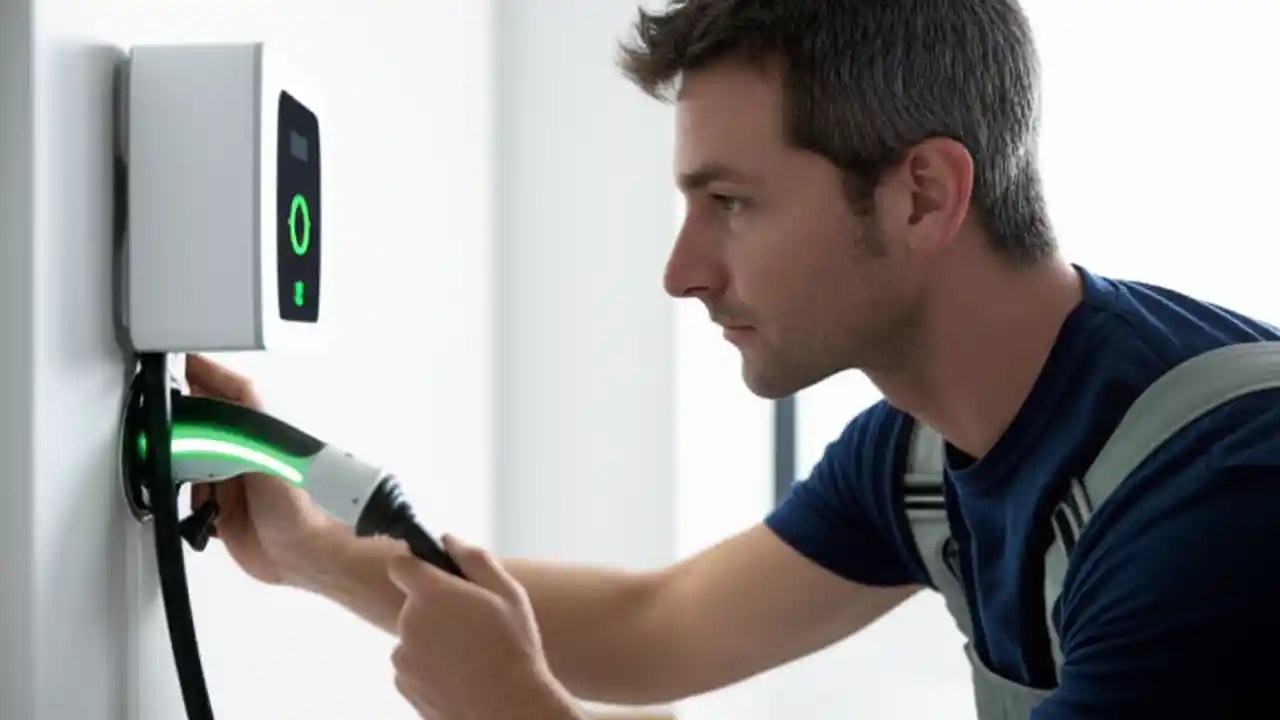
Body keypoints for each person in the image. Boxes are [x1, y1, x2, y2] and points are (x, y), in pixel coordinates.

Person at [187, 1, 1280, 718]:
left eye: (731, 203)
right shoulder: (918, 456)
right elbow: (652, 629)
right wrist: (313, 553)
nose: (682, 270)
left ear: (922, 196)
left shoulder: (1223, 505)